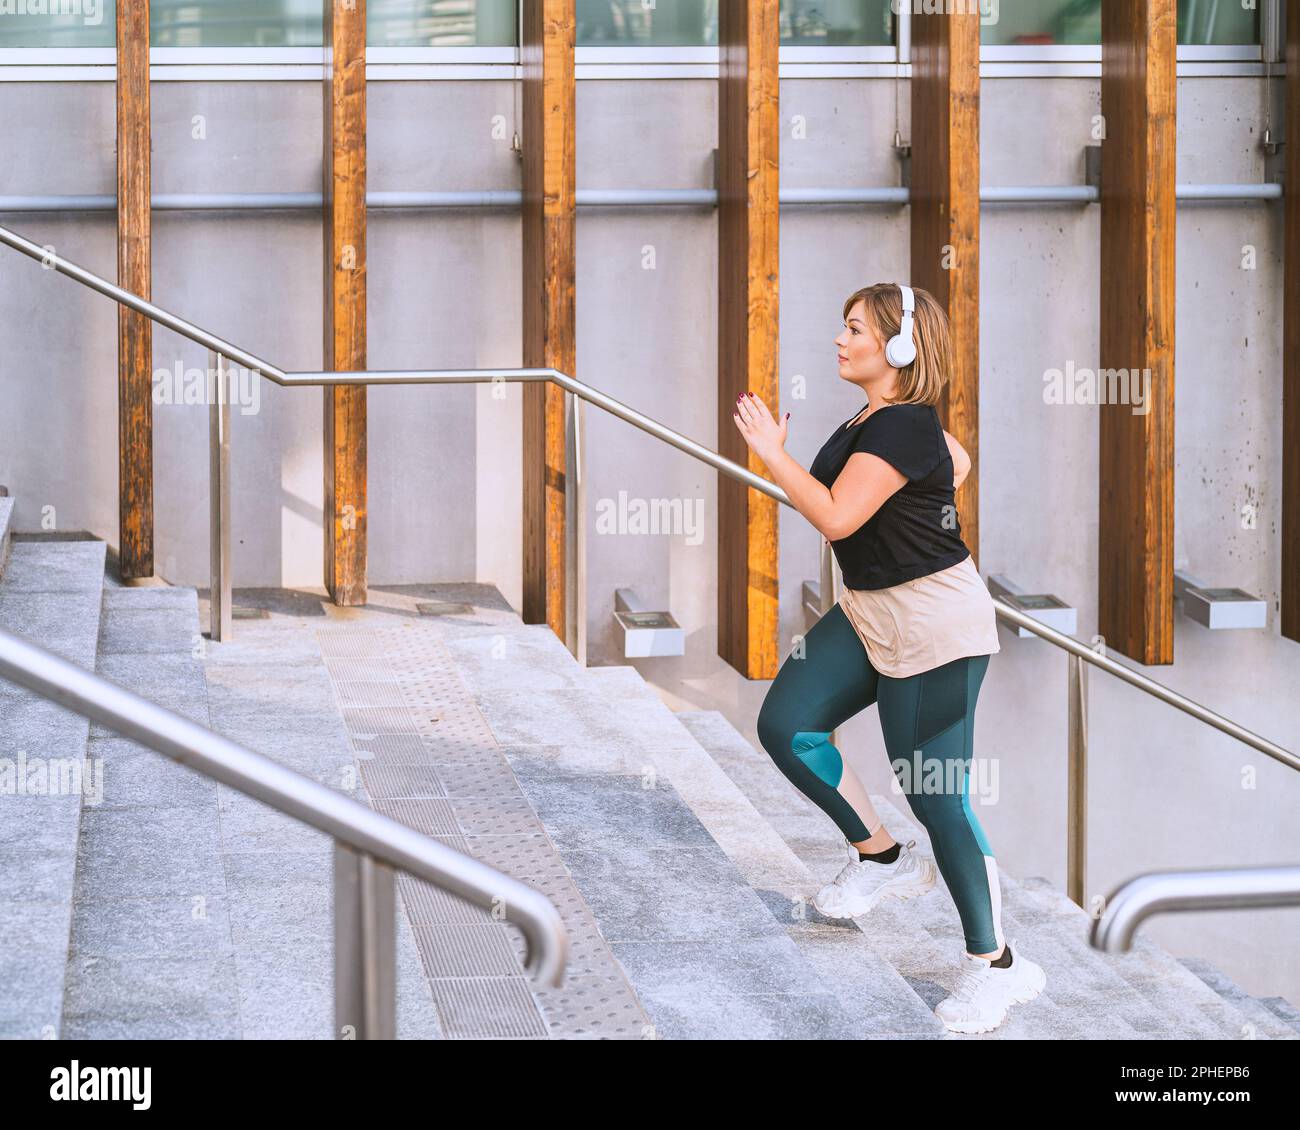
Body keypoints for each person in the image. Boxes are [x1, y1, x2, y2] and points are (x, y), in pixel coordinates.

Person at [732, 282, 1046, 1035]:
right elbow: (955, 464)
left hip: (935, 624)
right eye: (842, 327)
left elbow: (838, 513)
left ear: (899, 348)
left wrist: (773, 454)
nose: (839, 341)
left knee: (937, 797)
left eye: (855, 330)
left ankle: (997, 967)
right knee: (789, 726)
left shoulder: (903, 428)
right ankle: (880, 858)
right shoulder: (878, 419)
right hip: (871, 607)